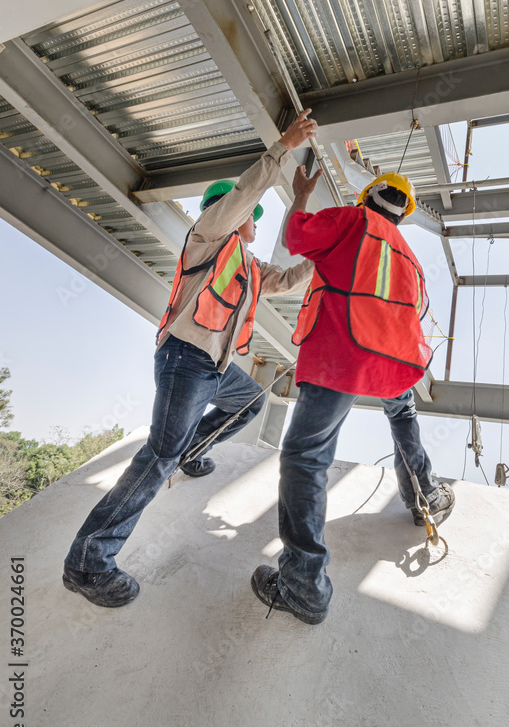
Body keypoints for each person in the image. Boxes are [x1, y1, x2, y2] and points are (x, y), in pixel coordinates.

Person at [63, 111, 322, 607]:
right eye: (249, 214)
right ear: (225, 211)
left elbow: (289, 280)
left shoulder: (247, 263)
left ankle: (191, 450)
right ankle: (88, 561)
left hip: (213, 370)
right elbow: (244, 195)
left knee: (248, 403)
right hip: (185, 359)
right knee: (157, 458)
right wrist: (283, 147)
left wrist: (328, 253)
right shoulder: (208, 234)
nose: (253, 220)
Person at [250, 171, 455, 625]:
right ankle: (425, 496)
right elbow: (417, 310)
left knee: (305, 459)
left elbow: (298, 235)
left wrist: (302, 195)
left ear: (367, 197)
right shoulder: (410, 256)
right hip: (393, 361)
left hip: (340, 354)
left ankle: (304, 585)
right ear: (404, 214)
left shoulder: (350, 220)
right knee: (402, 417)